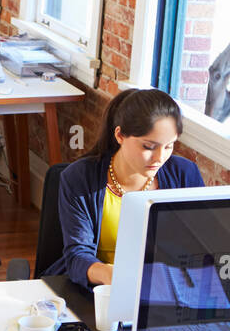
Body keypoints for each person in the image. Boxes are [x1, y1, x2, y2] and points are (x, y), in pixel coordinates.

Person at [43, 88, 204, 288]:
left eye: (169, 146)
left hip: (164, 289)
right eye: (149, 146)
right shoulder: (79, 178)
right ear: (120, 135)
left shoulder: (185, 174)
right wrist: (111, 275)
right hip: (98, 290)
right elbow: (77, 257)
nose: (159, 158)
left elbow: (199, 245)